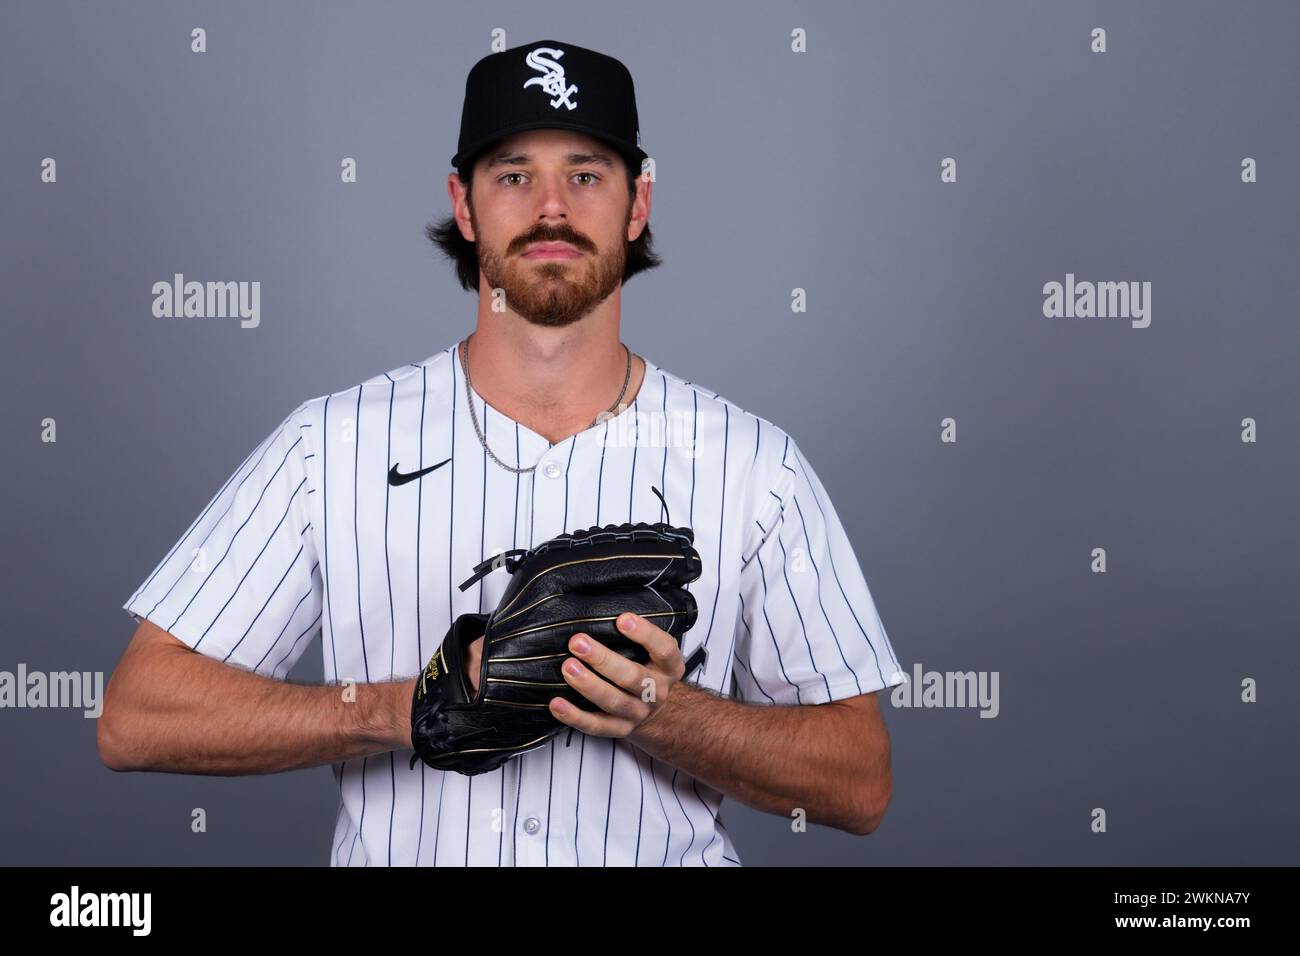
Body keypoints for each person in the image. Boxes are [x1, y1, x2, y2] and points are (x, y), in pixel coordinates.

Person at [101, 39, 906, 866]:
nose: (551, 208)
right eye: (514, 175)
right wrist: (414, 705)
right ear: (465, 203)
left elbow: (860, 781)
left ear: (637, 205)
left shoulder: (752, 466)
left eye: (586, 174)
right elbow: (137, 716)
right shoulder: (331, 445)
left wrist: (664, 711)